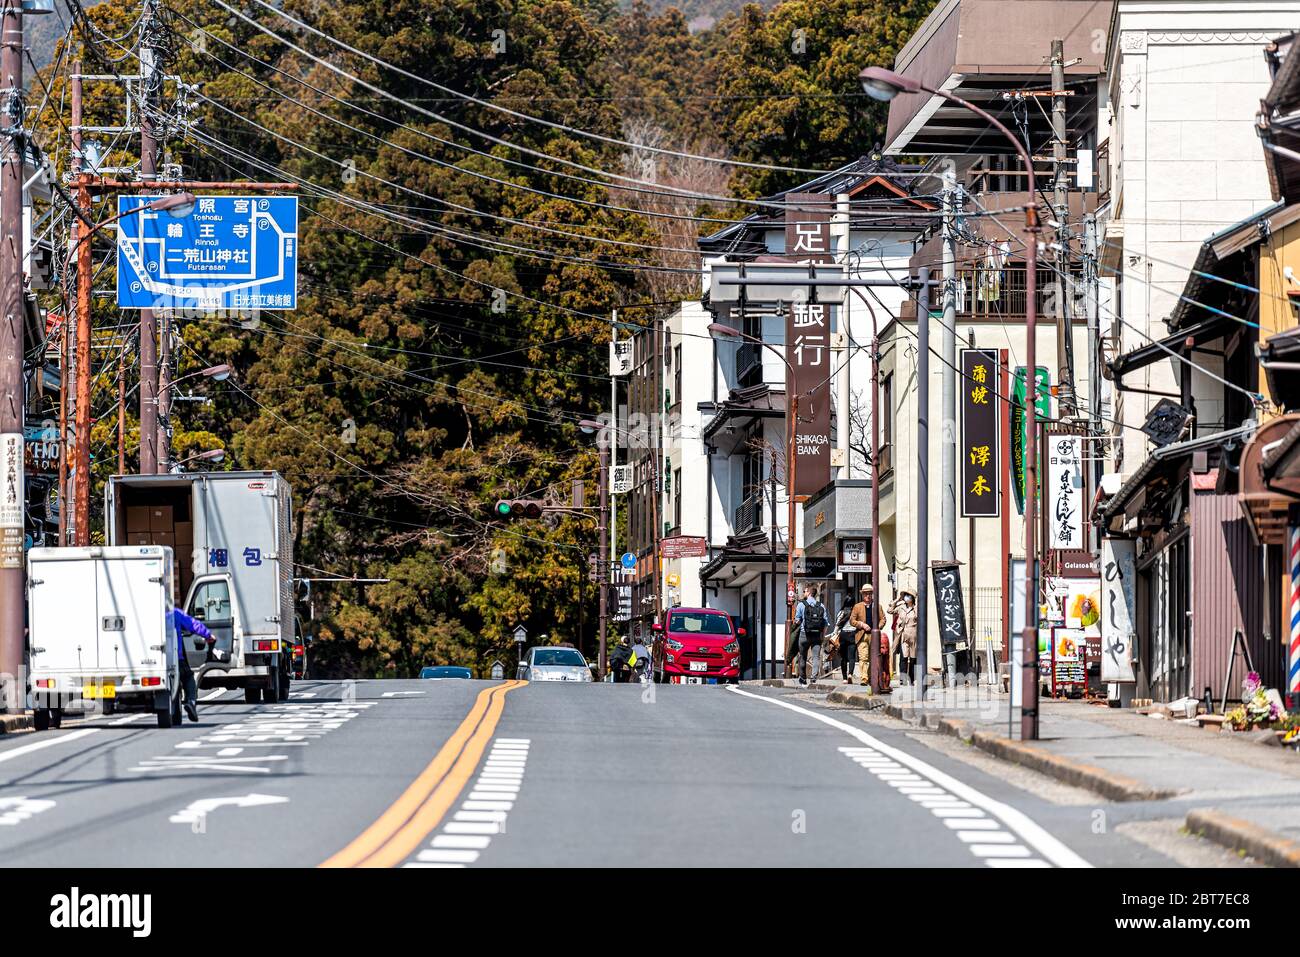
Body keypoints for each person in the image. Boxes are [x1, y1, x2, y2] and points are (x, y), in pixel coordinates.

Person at [171, 607, 214, 722]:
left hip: (150, 661)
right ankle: (191, 702)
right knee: (188, 677)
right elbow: (193, 624)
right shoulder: (173, 613)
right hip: (175, 657)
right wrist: (208, 635)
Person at [793, 584, 828, 686]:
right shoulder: (821, 606)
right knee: (816, 657)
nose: (804, 593)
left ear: (808, 592)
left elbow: (797, 621)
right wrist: (822, 635)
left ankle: (802, 678)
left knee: (803, 656)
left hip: (804, 634)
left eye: (804, 591)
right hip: (817, 635)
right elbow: (825, 623)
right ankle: (813, 678)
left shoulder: (801, 605)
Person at [849, 584, 882, 685]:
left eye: (870, 594)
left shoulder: (877, 606)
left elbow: (883, 619)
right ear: (862, 595)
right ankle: (864, 678)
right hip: (861, 635)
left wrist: (878, 627)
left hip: (874, 635)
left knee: (873, 657)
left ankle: (871, 677)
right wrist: (861, 624)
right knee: (863, 657)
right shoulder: (857, 606)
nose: (868, 596)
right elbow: (852, 620)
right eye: (866, 594)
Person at [891, 589, 919, 686]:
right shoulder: (901, 607)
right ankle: (902, 679)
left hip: (913, 635)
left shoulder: (916, 608)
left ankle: (911, 679)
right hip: (903, 635)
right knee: (903, 657)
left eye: (909, 596)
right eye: (906, 595)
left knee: (913, 658)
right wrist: (897, 600)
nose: (907, 597)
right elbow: (890, 610)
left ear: (913, 598)